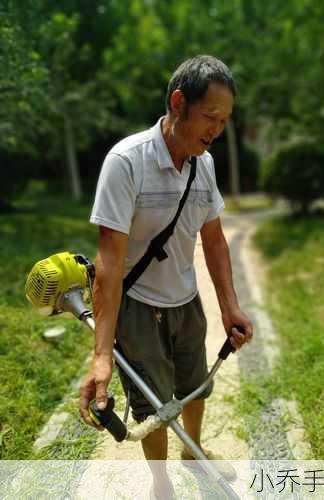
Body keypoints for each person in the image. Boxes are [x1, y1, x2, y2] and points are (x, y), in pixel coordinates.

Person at [79, 55, 253, 499]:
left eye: (225, 120)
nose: (216, 129)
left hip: (186, 299)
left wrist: (230, 305)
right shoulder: (126, 163)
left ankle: (192, 452)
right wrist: (101, 354)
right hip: (138, 310)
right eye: (210, 116)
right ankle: (161, 483)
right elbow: (109, 264)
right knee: (152, 406)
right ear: (179, 103)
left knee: (196, 384)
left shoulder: (204, 164)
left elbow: (214, 241)